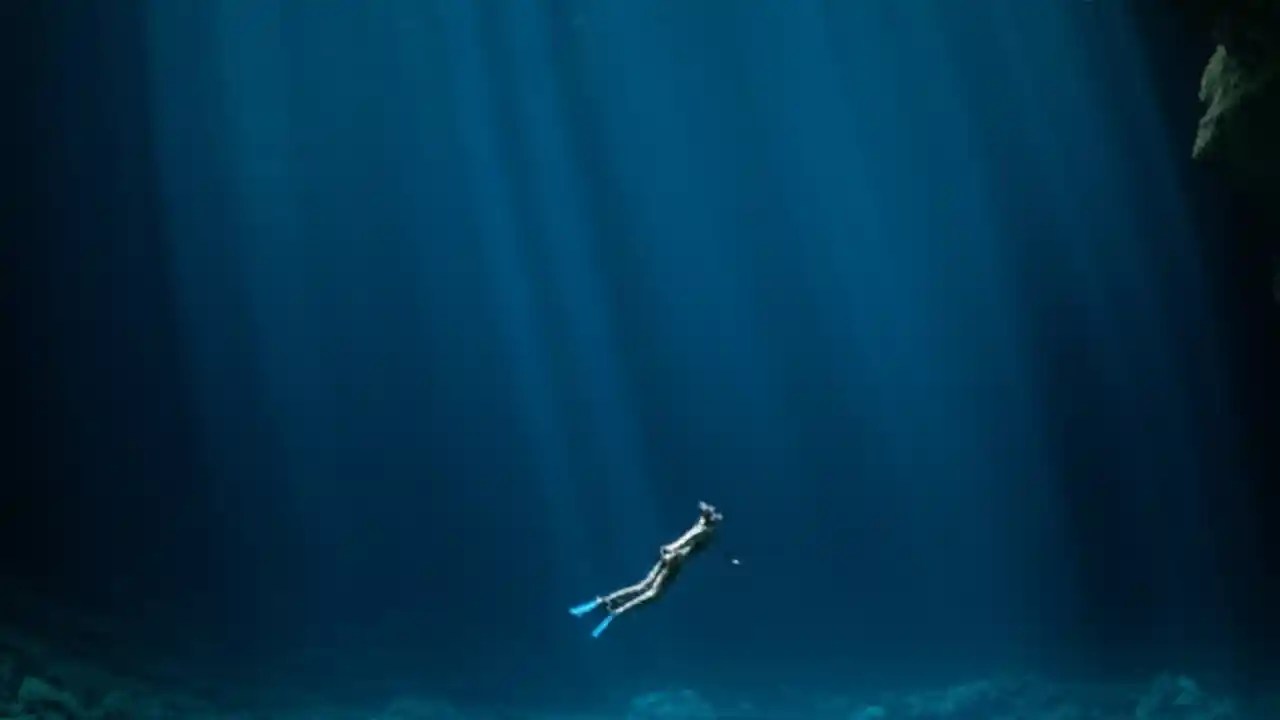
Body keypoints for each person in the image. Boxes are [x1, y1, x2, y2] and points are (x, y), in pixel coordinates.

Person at [568, 501, 736, 638]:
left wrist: (669, 550)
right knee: (654, 594)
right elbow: (688, 539)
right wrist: (673, 548)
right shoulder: (705, 530)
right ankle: (618, 611)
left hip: (670, 556)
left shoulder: (701, 526)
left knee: (643, 586)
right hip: (677, 560)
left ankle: (604, 601)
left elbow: (695, 539)